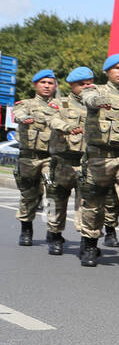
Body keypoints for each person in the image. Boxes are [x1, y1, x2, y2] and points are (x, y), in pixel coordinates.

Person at [77, 54, 119, 267]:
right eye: (116, 68)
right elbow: (88, 99)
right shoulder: (94, 90)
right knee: (93, 204)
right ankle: (89, 244)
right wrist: (98, 102)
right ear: (107, 72)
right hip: (99, 157)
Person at [43, 68, 93, 255]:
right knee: (56, 200)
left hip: (86, 162)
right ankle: (55, 236)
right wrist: (67, 126)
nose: (86, 87)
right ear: (72, 86)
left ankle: (86, 241)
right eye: (82, 84)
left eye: (89, 83)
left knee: (86, 203)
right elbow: (52, 120)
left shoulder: (95, 105)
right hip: (62, 160)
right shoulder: (59, 103)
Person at [13, 69, 59, 246]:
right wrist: (24, 118)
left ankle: (53, 231)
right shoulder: (25, 104)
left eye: (50, 83)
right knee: (28, 195)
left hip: (51, 158)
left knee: (52, 194)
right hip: (29, 158)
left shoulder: (60, 106)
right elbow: (18, 114)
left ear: (55, 86)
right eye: (43, 82)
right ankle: (26, 229)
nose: (47, 86)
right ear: (35, 84)